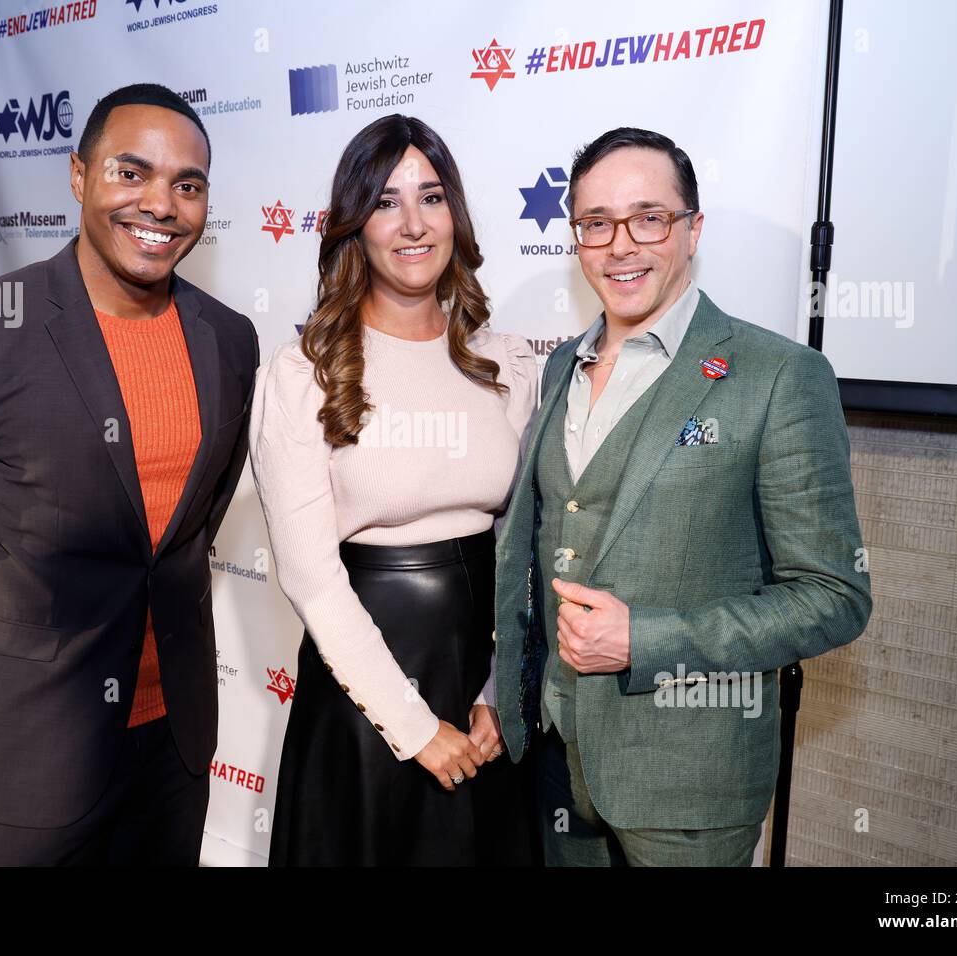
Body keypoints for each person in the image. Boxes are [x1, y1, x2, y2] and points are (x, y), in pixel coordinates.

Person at [0, 83, 258, 865]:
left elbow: (185, 527)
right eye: (131, 172)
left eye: (187, 185)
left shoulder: (230, 339)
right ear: (79, 177)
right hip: (26, 745)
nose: (160, 203)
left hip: (173, 740)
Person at [492, 127, 872, 866]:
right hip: (556, 761)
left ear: (692, 230)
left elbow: (834, 596)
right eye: (596, 223)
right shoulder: (563, 365)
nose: (621, 244)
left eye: (649, 217)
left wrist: (646, 640)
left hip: (688, 788)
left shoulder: (778, 375)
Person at [249, 114, 539, 865]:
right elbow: (312, 576)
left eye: (432, 197)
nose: (413, 224)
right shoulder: (302, 371)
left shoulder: (503, 361)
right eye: (385, 201)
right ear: (356, 225)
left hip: (484, 694)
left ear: (456, 215)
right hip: (365, 697)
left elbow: (526, 548)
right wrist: (412, 726)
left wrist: (502, 688)